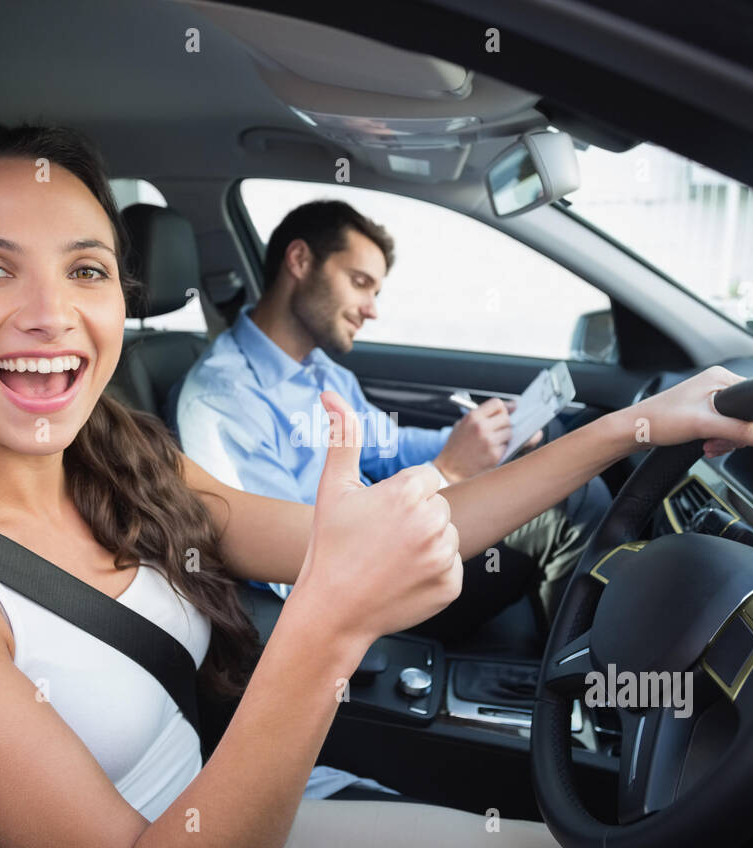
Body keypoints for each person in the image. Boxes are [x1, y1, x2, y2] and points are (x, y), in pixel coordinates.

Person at [0, 119, 753, 848]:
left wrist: (631, 428)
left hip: (242, 807)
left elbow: (386, 531)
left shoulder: (118, 457)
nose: (50, 313)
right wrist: (328, 629)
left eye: (86, 269)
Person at [171, 201, 612, 657]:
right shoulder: (222, 397)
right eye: (360, 283)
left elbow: (389, 446)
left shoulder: (321, 370)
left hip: (384, 536)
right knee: (573, 503)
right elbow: (297, 561)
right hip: (361, 588)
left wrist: (482, 441)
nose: (372, 310)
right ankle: (578, 691)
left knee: (552, 451)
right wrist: (447, 473)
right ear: (300, 261)